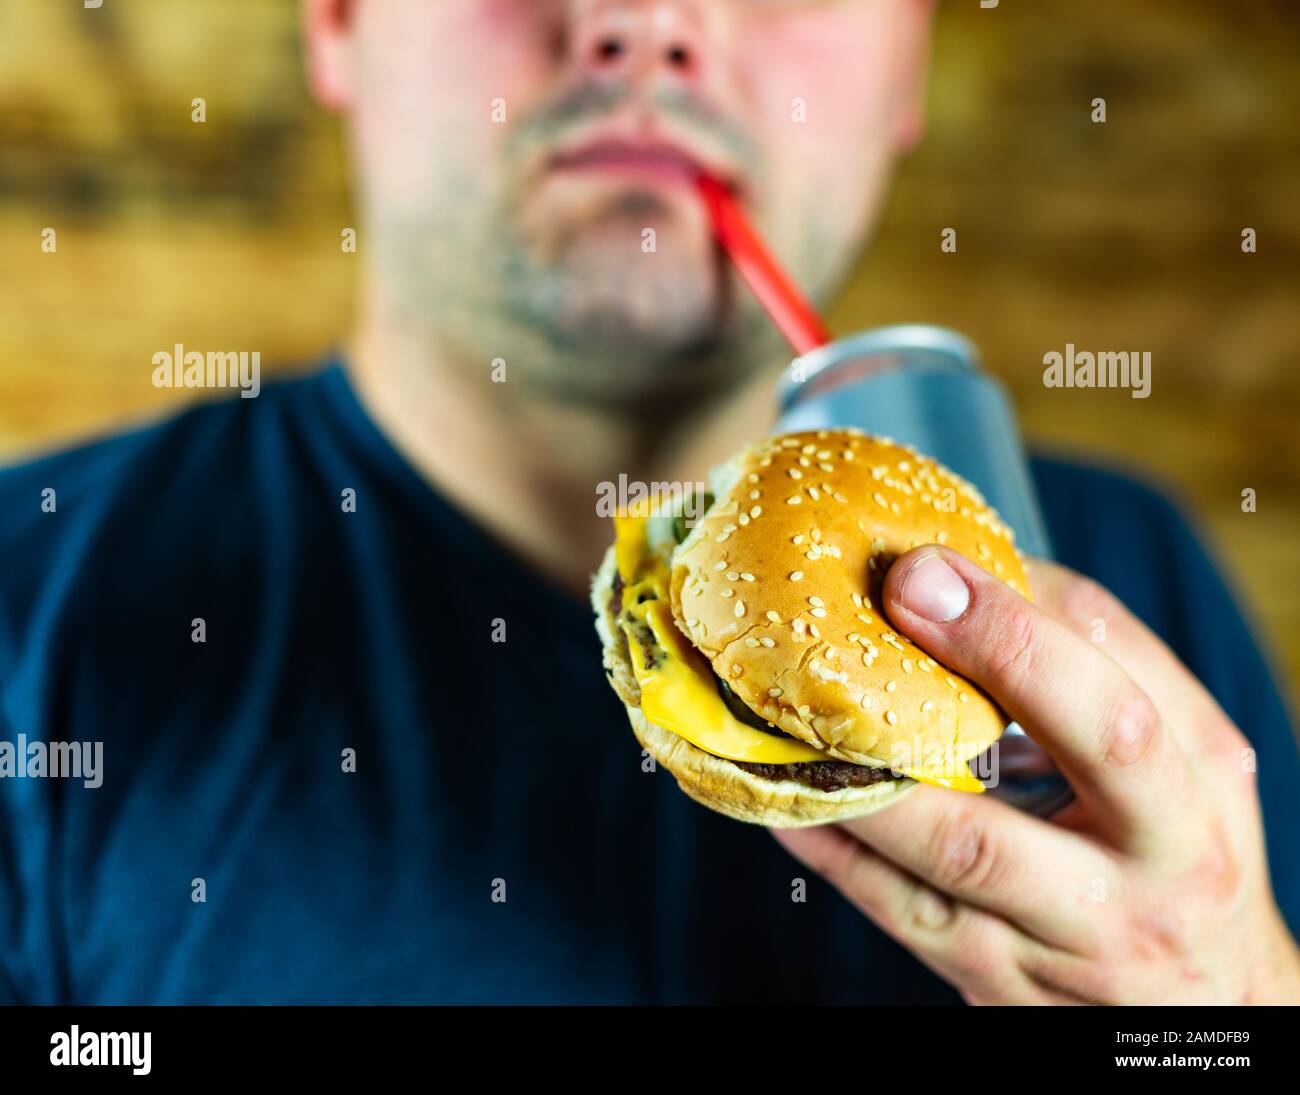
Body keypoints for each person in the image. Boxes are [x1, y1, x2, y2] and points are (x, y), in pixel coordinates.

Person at [0, 0, 1296, 1005]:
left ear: (907, 65)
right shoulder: (28, 607)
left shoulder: (1134, 589)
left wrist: (1221, 1015)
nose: (651, 20)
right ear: (339, 20)